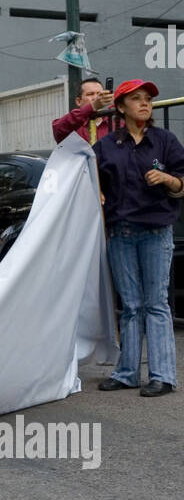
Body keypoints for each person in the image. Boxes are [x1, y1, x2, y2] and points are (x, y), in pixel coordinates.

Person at [94, 80, 184, 397]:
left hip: (156, 231)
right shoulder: (105, 146)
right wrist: (98, 192)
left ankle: (162, 376)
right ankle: (127, 373)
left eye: (148, 99)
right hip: (121, 232)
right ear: (120, 107)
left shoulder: (165, 141)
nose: (144, 103)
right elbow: (88, 180)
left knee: (156, 302)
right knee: (131, 305)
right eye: (136, 99)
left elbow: (183, 182)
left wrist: (169, 178)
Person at [52, 76, 114, 145]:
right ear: (78, 101)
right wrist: (93, 106)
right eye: (90, 94)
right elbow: (58, 128)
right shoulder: (72, 127)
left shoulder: (116, 124)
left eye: (99, 94)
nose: (96, 98)